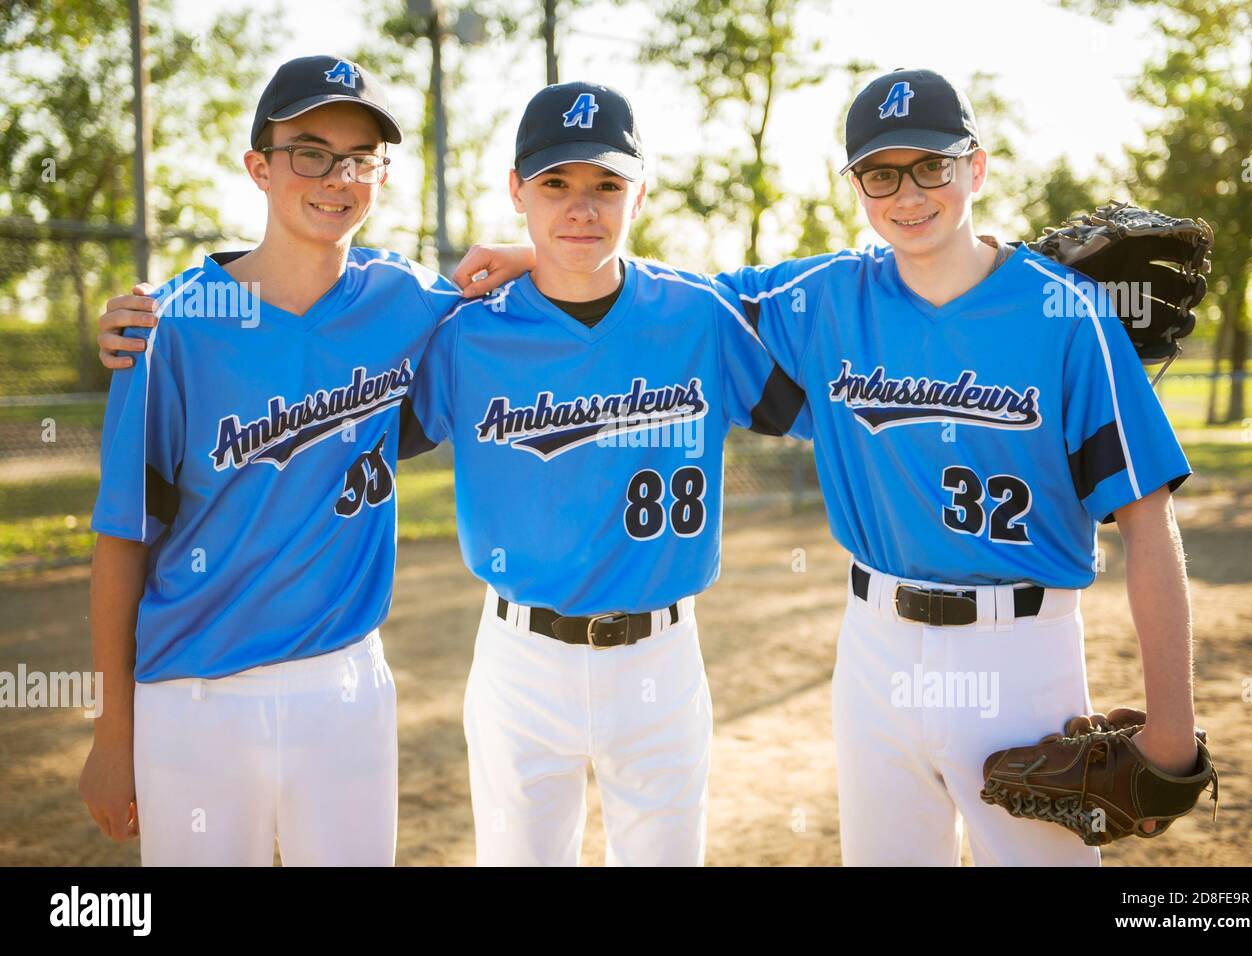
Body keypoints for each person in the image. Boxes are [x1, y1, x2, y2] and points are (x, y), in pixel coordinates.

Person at [95, 80, 809, 867]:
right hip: (505, 657)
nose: (582, 205)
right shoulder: (437, 329)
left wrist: (539, 252)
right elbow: (149, 519)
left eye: (607, 185)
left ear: (639, 192)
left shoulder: (683, 313)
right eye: (555, 185)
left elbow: (820, 393)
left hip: (653, 654)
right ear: (517, 190)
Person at [714, 68, 1200, 865]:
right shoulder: (825, 297)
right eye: (881, 173)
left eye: (931, 166)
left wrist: (1171, 729)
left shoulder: (1066, 312)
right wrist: (555, 253)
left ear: (975, 168)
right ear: (858, 188)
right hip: (873, 652)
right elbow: (668, 306)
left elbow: (1149, 521)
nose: (908, 194)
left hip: (1021, 658)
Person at [81, 55, 465, 865]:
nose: (337, 176)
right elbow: (121, 537)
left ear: (382, 175)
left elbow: (530, 304)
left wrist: (527, 252)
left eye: (360, 157)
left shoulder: (407, 301)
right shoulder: (173, 325)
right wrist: (114, 733)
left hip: (346, 686)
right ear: (259, 167)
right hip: (193, 698)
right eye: (310, 152)